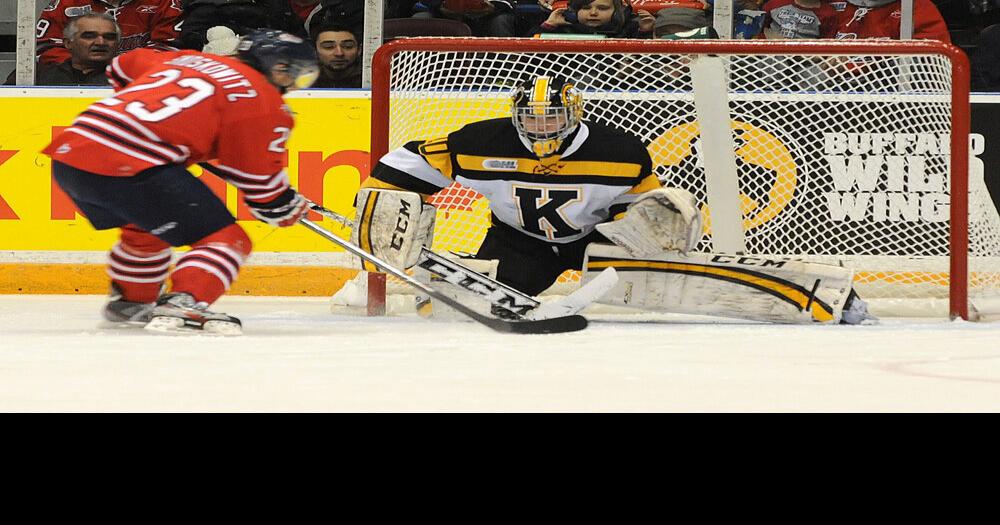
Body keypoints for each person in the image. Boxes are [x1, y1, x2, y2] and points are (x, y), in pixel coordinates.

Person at [42, 29, 319, 335]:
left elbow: (122, 66)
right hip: (131, 164)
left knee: (146, 230)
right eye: (289, 72)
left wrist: (166, 124)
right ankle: (183, 300)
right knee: (227, 240)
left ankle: (131, 301)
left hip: (71, 155)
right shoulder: (265, 102)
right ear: (271, 64)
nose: (293, 84)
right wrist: (285, 206)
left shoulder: (189, 58)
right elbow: (260, 185)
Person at [359, 75, 680, 298]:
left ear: (574, 114)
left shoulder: (619, 152)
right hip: (518, 244)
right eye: (530, 118)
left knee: (654, 291)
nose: (541, 127)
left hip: (595, 242)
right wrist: (382, 205)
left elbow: (639, 205)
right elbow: (414, 160)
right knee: (459, 306)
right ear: (516, 116)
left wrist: (636, 245)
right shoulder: (482, 143)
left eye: (552, 118)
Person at [35, 0, 185, 65]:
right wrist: (84, 68)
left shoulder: (163, 3)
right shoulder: (67, 3)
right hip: (78, 79)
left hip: (139, 81)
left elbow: (168, 49)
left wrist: (124, 68)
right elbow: (46, 47)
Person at [6, 13, 120, 86]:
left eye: (109, 37)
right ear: (68, 43)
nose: (101, 42)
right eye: (89, 36)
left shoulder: (128, 79)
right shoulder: (34, 75)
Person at [823, 0, 951, 42]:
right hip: (827, 96)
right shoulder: (826, 5)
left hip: (891, 97)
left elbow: (930, 68)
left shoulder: (918, 8)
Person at [536, 0, 654, 38]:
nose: (593, 13)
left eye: (602, 8)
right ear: (574, 11)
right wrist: (549, 26)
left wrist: (645, 32)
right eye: (586, 8)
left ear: (618, 12)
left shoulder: (631, 29)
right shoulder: (563, 28)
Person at [412, 0, 521, 37]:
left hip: (488, 18)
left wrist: (492, 7)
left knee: (501, 21)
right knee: (420, 19)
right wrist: (440, 5)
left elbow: (509, 4)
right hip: (446, 17)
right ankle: (419, 75)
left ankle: (503, 73)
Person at [310, 22, 361, 88]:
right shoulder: (303, 80)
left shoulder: (371, 78)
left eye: (348, 46)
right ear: (314, 51)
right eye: (328, 46)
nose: (339, 53)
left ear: (359, 50)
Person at [761, 0, 837, 39]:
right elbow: (761, 30)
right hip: (771, 54)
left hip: (805, 60)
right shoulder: (775, 3)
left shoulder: (828, 14)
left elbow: (825, 45)